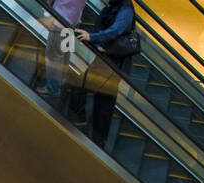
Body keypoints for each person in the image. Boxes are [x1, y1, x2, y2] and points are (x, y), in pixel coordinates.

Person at [76, 0, 138, 145]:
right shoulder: (115, 6)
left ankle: (96, 136)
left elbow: (116, 30)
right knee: (99, 96)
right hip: (107, 58)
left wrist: (92, 37)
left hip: (113, 61)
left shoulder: (125, 9)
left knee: (103, 100)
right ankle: (92, 130)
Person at [39, 0, 86, 96]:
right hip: (72, 23)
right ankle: (61, 81)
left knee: (53, 57)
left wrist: (47, 7)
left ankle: (53, 88)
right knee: (64, 54)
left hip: (59, 22)